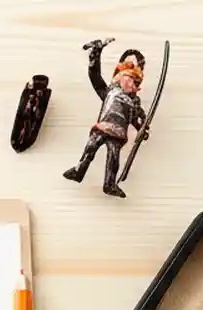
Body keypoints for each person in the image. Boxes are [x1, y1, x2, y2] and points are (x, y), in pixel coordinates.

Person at [63, 41, 147, 198]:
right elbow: (95, 77)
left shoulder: (133, 102)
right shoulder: (110, 92)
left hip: (118, 134)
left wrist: (142, 129)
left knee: (113, 159)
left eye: (136, 83)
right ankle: (79, 171)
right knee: (90, 148)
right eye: (130, 79)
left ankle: (109, 184)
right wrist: (96, 54)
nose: (132, 85)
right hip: (102, 127)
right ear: (120, 78)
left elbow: (136, 118)